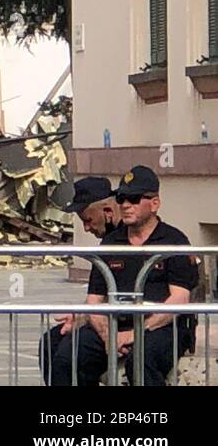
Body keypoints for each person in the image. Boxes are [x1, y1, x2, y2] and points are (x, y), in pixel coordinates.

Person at [48, 165, 198, 386]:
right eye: (122, 198)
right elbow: (94, 300)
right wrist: (109, 335)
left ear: (154, 203)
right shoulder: (111, 243)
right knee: (67, 358)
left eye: (134, 199)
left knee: (141, 362)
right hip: (116, 325)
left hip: (160, 326)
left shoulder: (174, 240)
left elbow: (179, 299)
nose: (126, 205)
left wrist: (135, 333)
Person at [39, 176, 119, 383]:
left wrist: (105, 332)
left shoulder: (124, 240)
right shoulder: (107, 245)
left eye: (88, 220)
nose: (86, 228)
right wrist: (81, 316)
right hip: (107, 317)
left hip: (126, 322)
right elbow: (97, 297)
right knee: (50, 343)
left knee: (70, 355)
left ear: (106, 211)